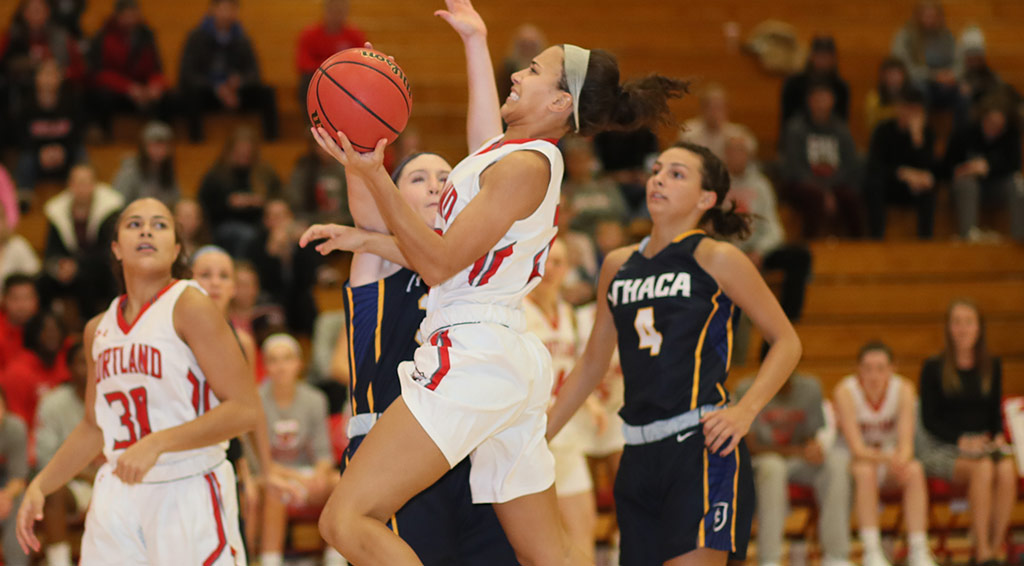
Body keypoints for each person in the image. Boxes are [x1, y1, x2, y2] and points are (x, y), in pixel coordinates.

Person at [300, 0, 685, 562]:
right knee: (548, 555)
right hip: (506, 358)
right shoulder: (511, 156)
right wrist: (473, 42)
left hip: (474, 356)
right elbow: (481, 139)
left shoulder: (526, 168)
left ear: (559, 101)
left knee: (346, 518)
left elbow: (438, 264)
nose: (518, 73)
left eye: (532, 71)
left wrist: (372, 171)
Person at [548, 140, 802, 566]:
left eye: (676, 174)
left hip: (699, 448)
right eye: (657, 171)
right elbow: (592, 363)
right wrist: (541, 435)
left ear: (707, 199)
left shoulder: (718, 258)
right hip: (637, 453)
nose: (659, 179)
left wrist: (744, 411)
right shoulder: (617, 264)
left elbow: (787, 342)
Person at [15, 197, 264, 565]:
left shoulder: (190, 305)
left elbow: (245, 410)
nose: (147, 229)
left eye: (160, 224)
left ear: (177, 248)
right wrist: (42, 484)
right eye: (134, 224)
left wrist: (157, 443)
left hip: (187, 485)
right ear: (115, 247)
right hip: (118, 493)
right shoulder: (97, 328)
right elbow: (93, 425)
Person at [334, 145, 516, 565]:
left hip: (470, 450)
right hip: (391, 448)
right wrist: (359, 151)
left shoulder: (477, 269)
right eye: (418, 179)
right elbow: (367, 214)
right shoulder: (378, 258)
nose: (435, 185)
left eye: (445, 176)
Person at [918, 299, 1015, 566]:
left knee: (1006, 470)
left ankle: (995, 550)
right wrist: (961, 440)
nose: (963, 328)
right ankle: (981, 548)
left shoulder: (991, 365)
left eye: (968, 322)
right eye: (957, 322)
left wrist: (996, 436)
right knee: (983, 469)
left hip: (982, 445)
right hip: (943, 447)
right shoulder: (933, 367)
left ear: (979, 328)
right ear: (949, 329)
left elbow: (994, 411)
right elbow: (929, 420)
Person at [525, 238, 598, 562]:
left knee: (584, 531)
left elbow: (572, 371)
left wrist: (592, 403)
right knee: (537, 545)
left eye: (559, 263)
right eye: (546, 261)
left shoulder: (569, 314)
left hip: (566, 432)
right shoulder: (516, 310)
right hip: (528, 436)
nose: (551, 269)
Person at [833, 342, 937, 566]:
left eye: (880, 368)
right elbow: (857, 450)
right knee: (865, 471)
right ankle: (871, 550)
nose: (874, 374)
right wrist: (890, 458)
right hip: (852, 463)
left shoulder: (904, 390)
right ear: (858, 369)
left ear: (892, 368)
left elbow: (907, 444)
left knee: (915, 470)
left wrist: (899, 459)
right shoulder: (845, 391)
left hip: (888, 460)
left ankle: (919, 549)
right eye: (868, 368)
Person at [737, 373, 850, 566]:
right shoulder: (746, 389)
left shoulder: (810, 388)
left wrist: (814, 447)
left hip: (798, 463)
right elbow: (750, 447)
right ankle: (770, 559)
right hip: (759, 464)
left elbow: (811, 435)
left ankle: (836, 556)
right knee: (773, 466)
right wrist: (797, 451)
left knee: (837, 462)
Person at [254, 334, 341, 566]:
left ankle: (336, 558)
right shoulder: (255, 401)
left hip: (305, 474)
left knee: (339, 482)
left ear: (299, 364)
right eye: (273, 360)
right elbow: (258, 461)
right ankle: (269, 559)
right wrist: (293, 478)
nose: (281, 367)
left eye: (287, 359)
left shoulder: (315, 399)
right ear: (265, 366)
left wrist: (320, 475)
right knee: (275, 490)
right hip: (270, 477)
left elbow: (324, 453)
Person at [723, 129, 810, 325]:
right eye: (731, 150)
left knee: (800, 257)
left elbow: (775, 229)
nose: (736, 155)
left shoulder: (761, 186)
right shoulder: (717, 186)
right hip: (725, 254)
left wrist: (760, 252)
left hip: (756, 252)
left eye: (740, 150)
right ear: (724, 155)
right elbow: (712, 229)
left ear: (750, 155)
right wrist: (734, 254)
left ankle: (788, 321)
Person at [34, 340, 97, 566]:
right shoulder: (53, 403)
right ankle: (59, 562)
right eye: (83, 362)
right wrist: (86, 474)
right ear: (69, 368)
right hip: (76, 483)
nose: (91, 368)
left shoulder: (115, 396)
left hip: (118, 478)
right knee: (53, 492)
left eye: (95, 361)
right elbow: (46, 459)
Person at [178, 0, 279, 142]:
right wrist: (216, 87)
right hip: (208, 93)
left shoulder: (242, 38)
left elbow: (254, 72)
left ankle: (272, 142)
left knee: (267, 93)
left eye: (231, 9)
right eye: (223, 8)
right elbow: (187, 74)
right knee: (191, 96)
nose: (227, 14)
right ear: (212, 10)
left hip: (235, 92)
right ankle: (196, 144)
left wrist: (240, 81)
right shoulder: (196, 37)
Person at [780, 80, 863, 239]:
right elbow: (794, 167)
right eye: (817, 99)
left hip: (833, 184)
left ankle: (858, 245)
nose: (821, 104)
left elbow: (849, 164)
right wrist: (823, 191)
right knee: (814, 198)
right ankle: (810, 244)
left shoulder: (841, 129)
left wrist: (829, 189)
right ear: (809, 101)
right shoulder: (796, 128)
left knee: (851, 198)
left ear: (832, 101)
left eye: (825, 99)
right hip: (805, 185)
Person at [40, 163, 122, 320]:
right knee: (43, 280)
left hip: (99, 271)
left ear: (95, 185)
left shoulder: (109, 210)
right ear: (70, 185)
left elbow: (109, 250)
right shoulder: (57, 212)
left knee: (93, 276)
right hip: (68, 272)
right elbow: (52, 251)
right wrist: (59, 266)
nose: (81, 188)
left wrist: (78, 265)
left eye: (86, 182)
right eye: (77, 183)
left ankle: (95, 325)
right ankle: (49, 326)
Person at [87, 0, 172, 139]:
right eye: (126, 15)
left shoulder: (146, 35)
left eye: (133, 14)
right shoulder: (103, 36)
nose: (131, 19)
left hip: (142, 89)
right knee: (100, 96)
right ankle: (104, 136)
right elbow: (98, 74)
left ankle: (160, 138)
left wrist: (154, 86)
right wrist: (128, 88)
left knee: (167, 97)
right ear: (117, 16)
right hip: (117, 90)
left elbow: (157, 70)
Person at [942, 99, 1024, 242]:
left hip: (996, 186)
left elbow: (1014, 165)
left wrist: (988, 166)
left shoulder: (1010, 134)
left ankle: (1019, 237)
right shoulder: (964, 133)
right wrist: (965, 169)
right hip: (967, 187)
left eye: (999, 125)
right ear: (983, 119)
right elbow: (946, 165)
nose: (995, 128)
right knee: (966, 183)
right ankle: (968, 235)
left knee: (1017, 185)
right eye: (991, 122)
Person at [864, 87, 937, 240]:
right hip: (890, 183)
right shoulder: (883, 130)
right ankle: (876, 238)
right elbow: (875, 165)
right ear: (899, 108)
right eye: (907, 109)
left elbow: (930, 168)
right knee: (874, 184)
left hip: (913, 187)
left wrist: (917, 139)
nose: (911, 115)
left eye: (916, 111)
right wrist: (903, 173)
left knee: (928, 188)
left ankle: (926, 242)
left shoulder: (927, 133)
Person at [198, 126, 283, 257]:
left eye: (248, 152)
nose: (244, 155)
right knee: (245, 235)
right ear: (230, 150)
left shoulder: (264, 172)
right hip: (224, 224)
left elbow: (278, 197)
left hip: (259, 223)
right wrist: (228, 203)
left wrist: (261, 202)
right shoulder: (217, 174)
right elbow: (205, 205)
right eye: (240, 151)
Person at [244, 199, 320, 334]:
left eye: (281, 216)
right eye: (272, 217)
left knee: (306, 302)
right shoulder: (257, 244)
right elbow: (261, 282)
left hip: (299, 298)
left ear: (291, 218)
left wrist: (292, 253)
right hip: (269, 298)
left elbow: (309, 278)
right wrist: (271, 254)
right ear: (265, 221)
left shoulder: (303, 242)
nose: (278, 222)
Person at [14, 58, 85, 191]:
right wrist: (40, 151)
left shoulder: (72, 101)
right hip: (36, 154)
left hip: (65, 152)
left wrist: (63, 150)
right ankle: (24, 198)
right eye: (44, 74)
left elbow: (77, 134)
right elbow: (20, 137)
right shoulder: (26, 105)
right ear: (36, 78)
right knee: (25, 161)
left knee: (81, 157)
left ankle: (80, 198)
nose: (48, 80)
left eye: (52, 74)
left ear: (60, 78)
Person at [191, 245, 258, 378]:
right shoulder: (175, 337)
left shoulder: (244, 343)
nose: (215, 283)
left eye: (224, 276)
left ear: (234, 287)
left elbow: (249, 397)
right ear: (189, 281)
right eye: (205, 275)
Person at [0, 310, 69, 430]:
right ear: (34, 334)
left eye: (56, 330)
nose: (53, 336)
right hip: (30, 440)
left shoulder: (68, 366)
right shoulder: (17, 372)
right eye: (47, 331)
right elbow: (17, 425)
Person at [890, 0, 962, 114]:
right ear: (918, 16)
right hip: (915, 82)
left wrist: (952, 75)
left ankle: (959, 131)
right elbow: (903, 68)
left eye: (933, 16)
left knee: (963, 94)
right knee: (920, 91)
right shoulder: (905, 36)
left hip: (941, 84)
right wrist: (933, 75)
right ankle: (922, 129)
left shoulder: (946, 37)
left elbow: (958, 63)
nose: (929, 20)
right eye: (926, 16)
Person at [295, 0, 366, 104]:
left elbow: (362, 63)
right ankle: (312, 117)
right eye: (332, 10)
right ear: (325, 10)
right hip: (318, 78)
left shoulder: (355, 35)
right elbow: (303, 63)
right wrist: (330, 70)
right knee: (306, 82)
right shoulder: (309, 34)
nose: (336, 14)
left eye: (340, 10)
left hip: (346, 80)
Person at [561, 137, 628, 238]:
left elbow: (621, 212)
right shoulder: (564, 190)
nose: (578, 165)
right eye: (573, 160)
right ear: (566, 163)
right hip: (579, 235)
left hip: (608, 234)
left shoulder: (606, 185)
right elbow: (565, 220)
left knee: (612, 231)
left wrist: (585, 214)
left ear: (591, 159)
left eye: (582, 159)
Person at [779, 35, 850, 130]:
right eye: (820, 55)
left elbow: (843, 123)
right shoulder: (793, 84)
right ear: (811, 56)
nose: (823, 60)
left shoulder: (841, 88)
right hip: (798, 138)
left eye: (827, 56)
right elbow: (786, 121)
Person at [287, 132, 352, 227]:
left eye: (330, 144)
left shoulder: (348, 168)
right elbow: (295, 201)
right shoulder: (305, 168)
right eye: (320, 145)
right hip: (312, 222)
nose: (324, 150)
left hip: (346, 223)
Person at [111, 121, 181, 208]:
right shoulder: (130, 171)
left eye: (162, 145)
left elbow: (175, 201)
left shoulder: (167, 172)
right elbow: (117, 202)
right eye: (154, 145)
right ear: (143, 147)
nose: (158, 150)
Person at [679, 83, 752, 160]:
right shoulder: (689, 132)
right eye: (712, 107)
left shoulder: (738, 134)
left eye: (719, 107)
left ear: (727, 109)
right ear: (702, 109)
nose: (715, 113)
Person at [0, 389, 29, 566]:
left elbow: (18, 477)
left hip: (5, 484)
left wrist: (5, 496)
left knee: (21, 500)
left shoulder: (14, 428)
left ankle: (16, 563)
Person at [0, 274, 39, 371]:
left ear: (36, 300)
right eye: (15, 299)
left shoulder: (48, 330)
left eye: (26, 298)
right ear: (4, 300)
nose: (21, 305)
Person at [865, 57, 911, 133]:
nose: (894, 78)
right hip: (882, 136)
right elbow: (871, 122)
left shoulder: (911, 96)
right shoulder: (875, 97)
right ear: (883, 76)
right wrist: (894, 112)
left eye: (897, 73)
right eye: (890, 74)